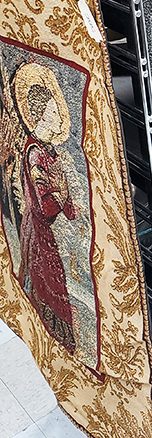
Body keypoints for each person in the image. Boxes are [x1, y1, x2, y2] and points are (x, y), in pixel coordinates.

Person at [14, 62, 79, 354]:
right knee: (48, 280)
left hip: (47, 231)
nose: (57, 120)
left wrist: (68, 198)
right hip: (40, 231)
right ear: (38, 117)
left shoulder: (47, 150)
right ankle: (57, 339)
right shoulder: (35, 153)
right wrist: (64, 195)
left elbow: (65, 206)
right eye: (52, 113)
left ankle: (61, 340)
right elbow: (47, 205)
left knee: (55, 281)